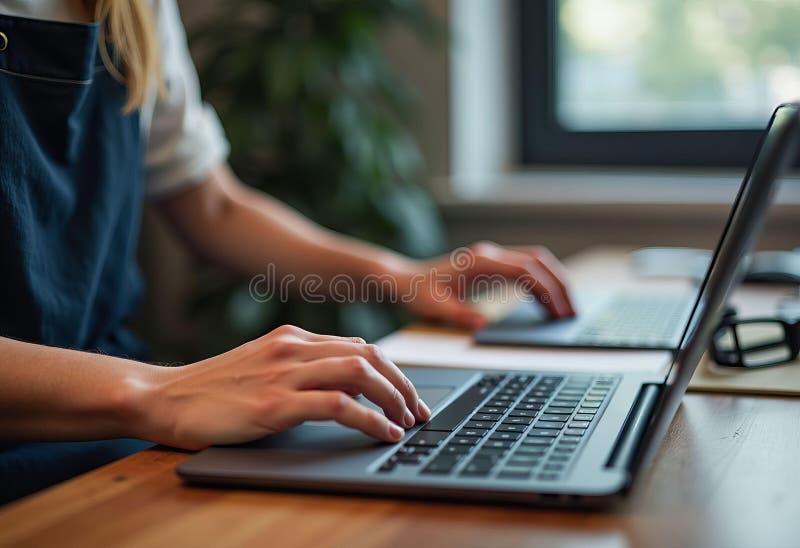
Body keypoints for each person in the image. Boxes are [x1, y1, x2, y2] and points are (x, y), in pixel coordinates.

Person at [0, 0, 575, 502]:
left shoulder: (133, 8)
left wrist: (400, 276)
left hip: (113, 443)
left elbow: (212, 204)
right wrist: (159, 392)